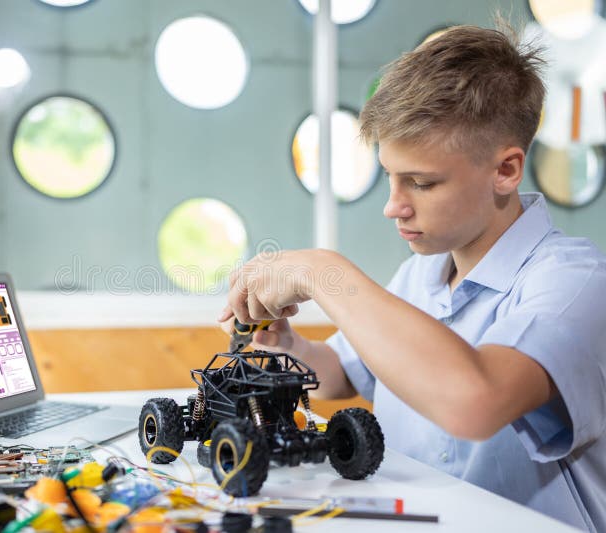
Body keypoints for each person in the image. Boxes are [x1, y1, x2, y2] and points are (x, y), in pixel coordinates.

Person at [219, 24, 606, 532]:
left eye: (421, 183)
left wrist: (322, 271)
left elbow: (475, 402)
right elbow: (339, 375)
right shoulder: (418, 274)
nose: (393, 206)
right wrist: (286, 344)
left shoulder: (576, 285)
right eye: (389, 176)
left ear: (506, 171)